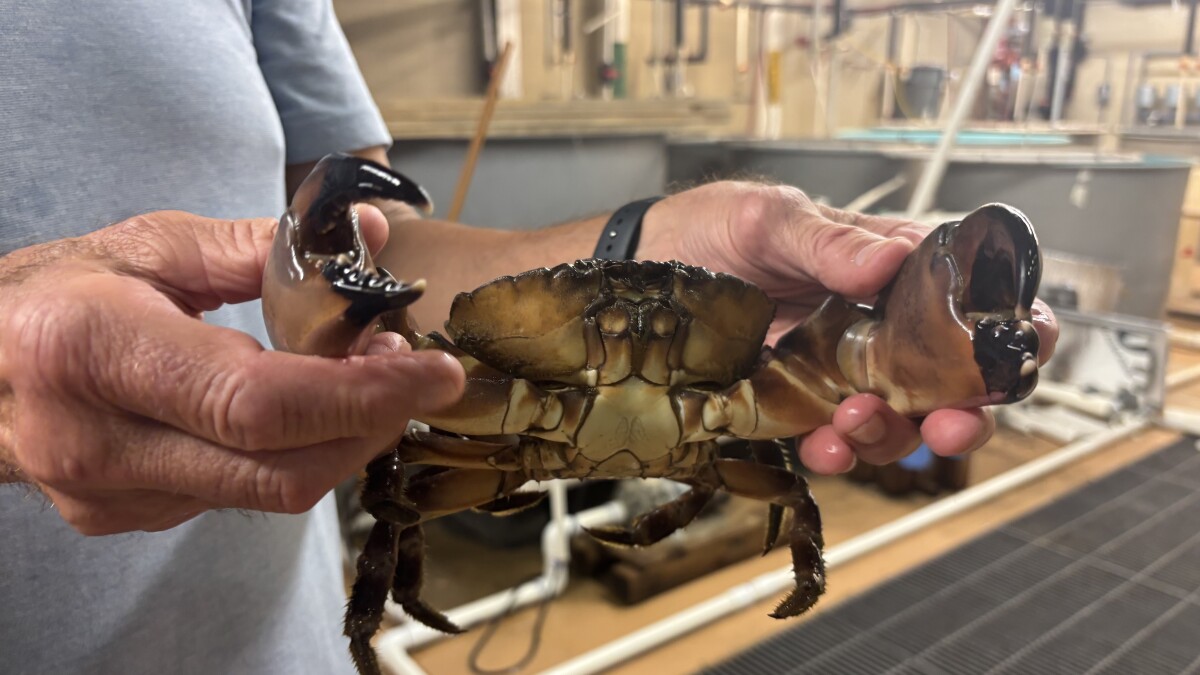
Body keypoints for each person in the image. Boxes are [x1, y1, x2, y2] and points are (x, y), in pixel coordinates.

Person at [0, 2, 1058, 674]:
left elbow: (372, 237)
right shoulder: (453, 396)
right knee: (407, 486)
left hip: (276, 638)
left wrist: (635, 239)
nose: (627, 324)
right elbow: (362, 312)